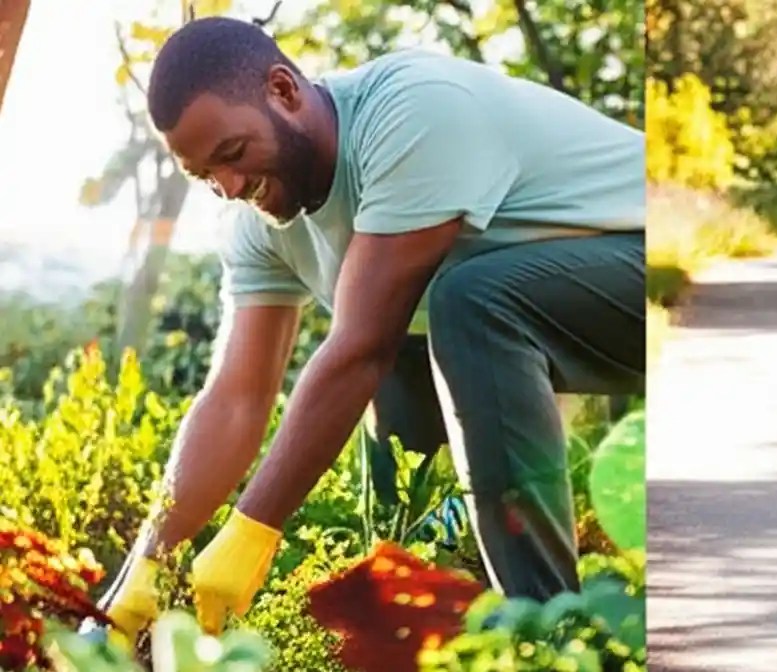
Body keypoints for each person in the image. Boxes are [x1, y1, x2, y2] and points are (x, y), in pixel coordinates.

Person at [96, 16, 645, 640]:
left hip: (642, 265)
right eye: (206, 177)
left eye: (234, 154)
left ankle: (550, 646)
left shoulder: (411, 112)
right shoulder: (259, 223)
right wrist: (145, 564)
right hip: (545, 313)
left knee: (459, 304)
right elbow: (235, 398)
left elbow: (359, 348)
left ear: (284, 91)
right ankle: (437, 652)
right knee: (399, 445)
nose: (230, 186)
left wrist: (249, 532)